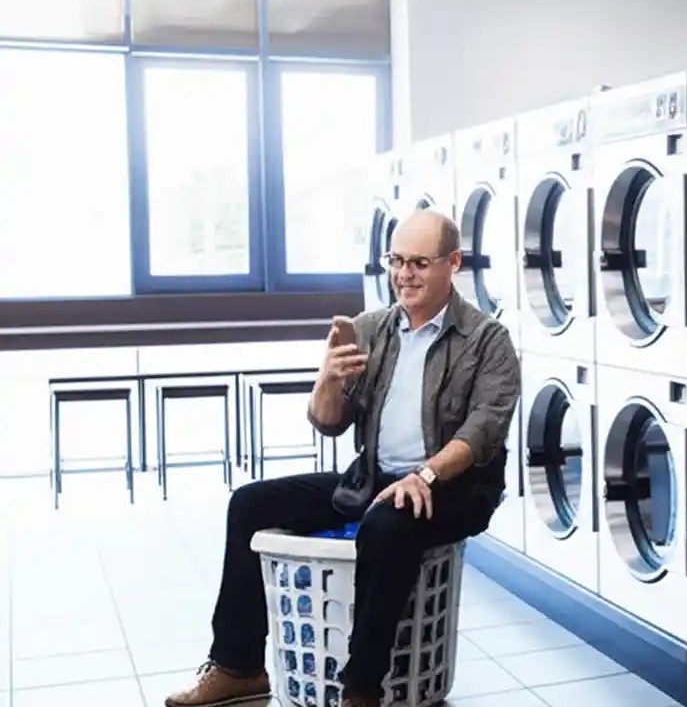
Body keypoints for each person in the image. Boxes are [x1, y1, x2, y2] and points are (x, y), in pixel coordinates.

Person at [165, 210, 521, 707]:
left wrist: (424, 474)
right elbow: (329, 422)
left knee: (387, 524)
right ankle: (238, 666)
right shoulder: (370, 328)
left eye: (419, 262)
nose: (404, 274)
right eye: (396, 261)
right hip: (373, 478)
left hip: (452, 488)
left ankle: (360, 692)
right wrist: (327, 378)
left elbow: (482, 431)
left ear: (453, 263)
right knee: (249, 505)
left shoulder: (488, 340)